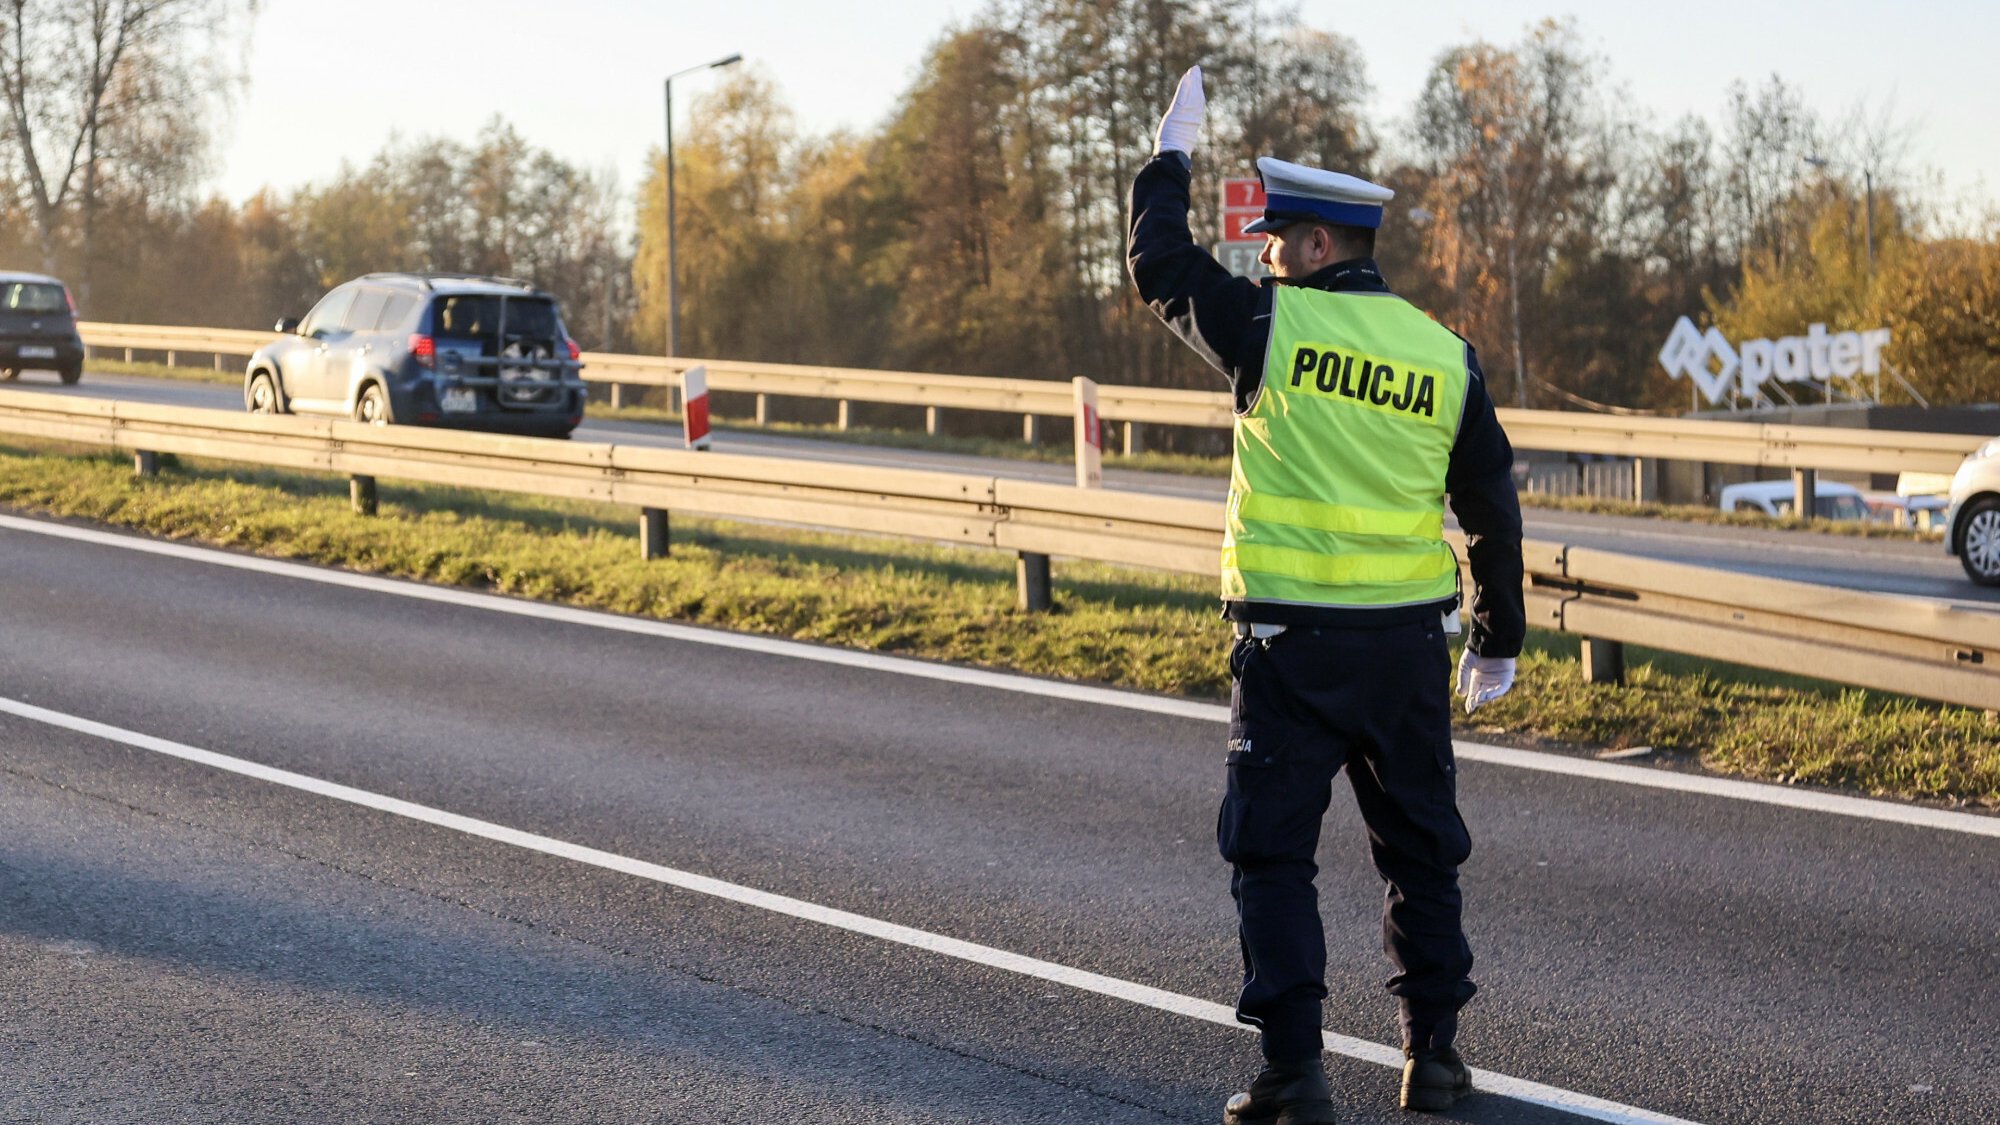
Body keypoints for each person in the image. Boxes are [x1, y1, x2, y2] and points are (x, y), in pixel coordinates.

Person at [1127, 67, 1525, 1123]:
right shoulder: (1446, 358)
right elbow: (1489, 504)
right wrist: (1496, 636)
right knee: (1421, 856)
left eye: (1272, 242)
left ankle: (1293, 1078)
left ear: (1313, 249)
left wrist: (1166, 161)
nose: (1260, 257)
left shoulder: (1271, 331)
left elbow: (1158, 264)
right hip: (1404, 652)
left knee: (1270, 859)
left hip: (1289, 654)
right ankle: (1432, 1061)